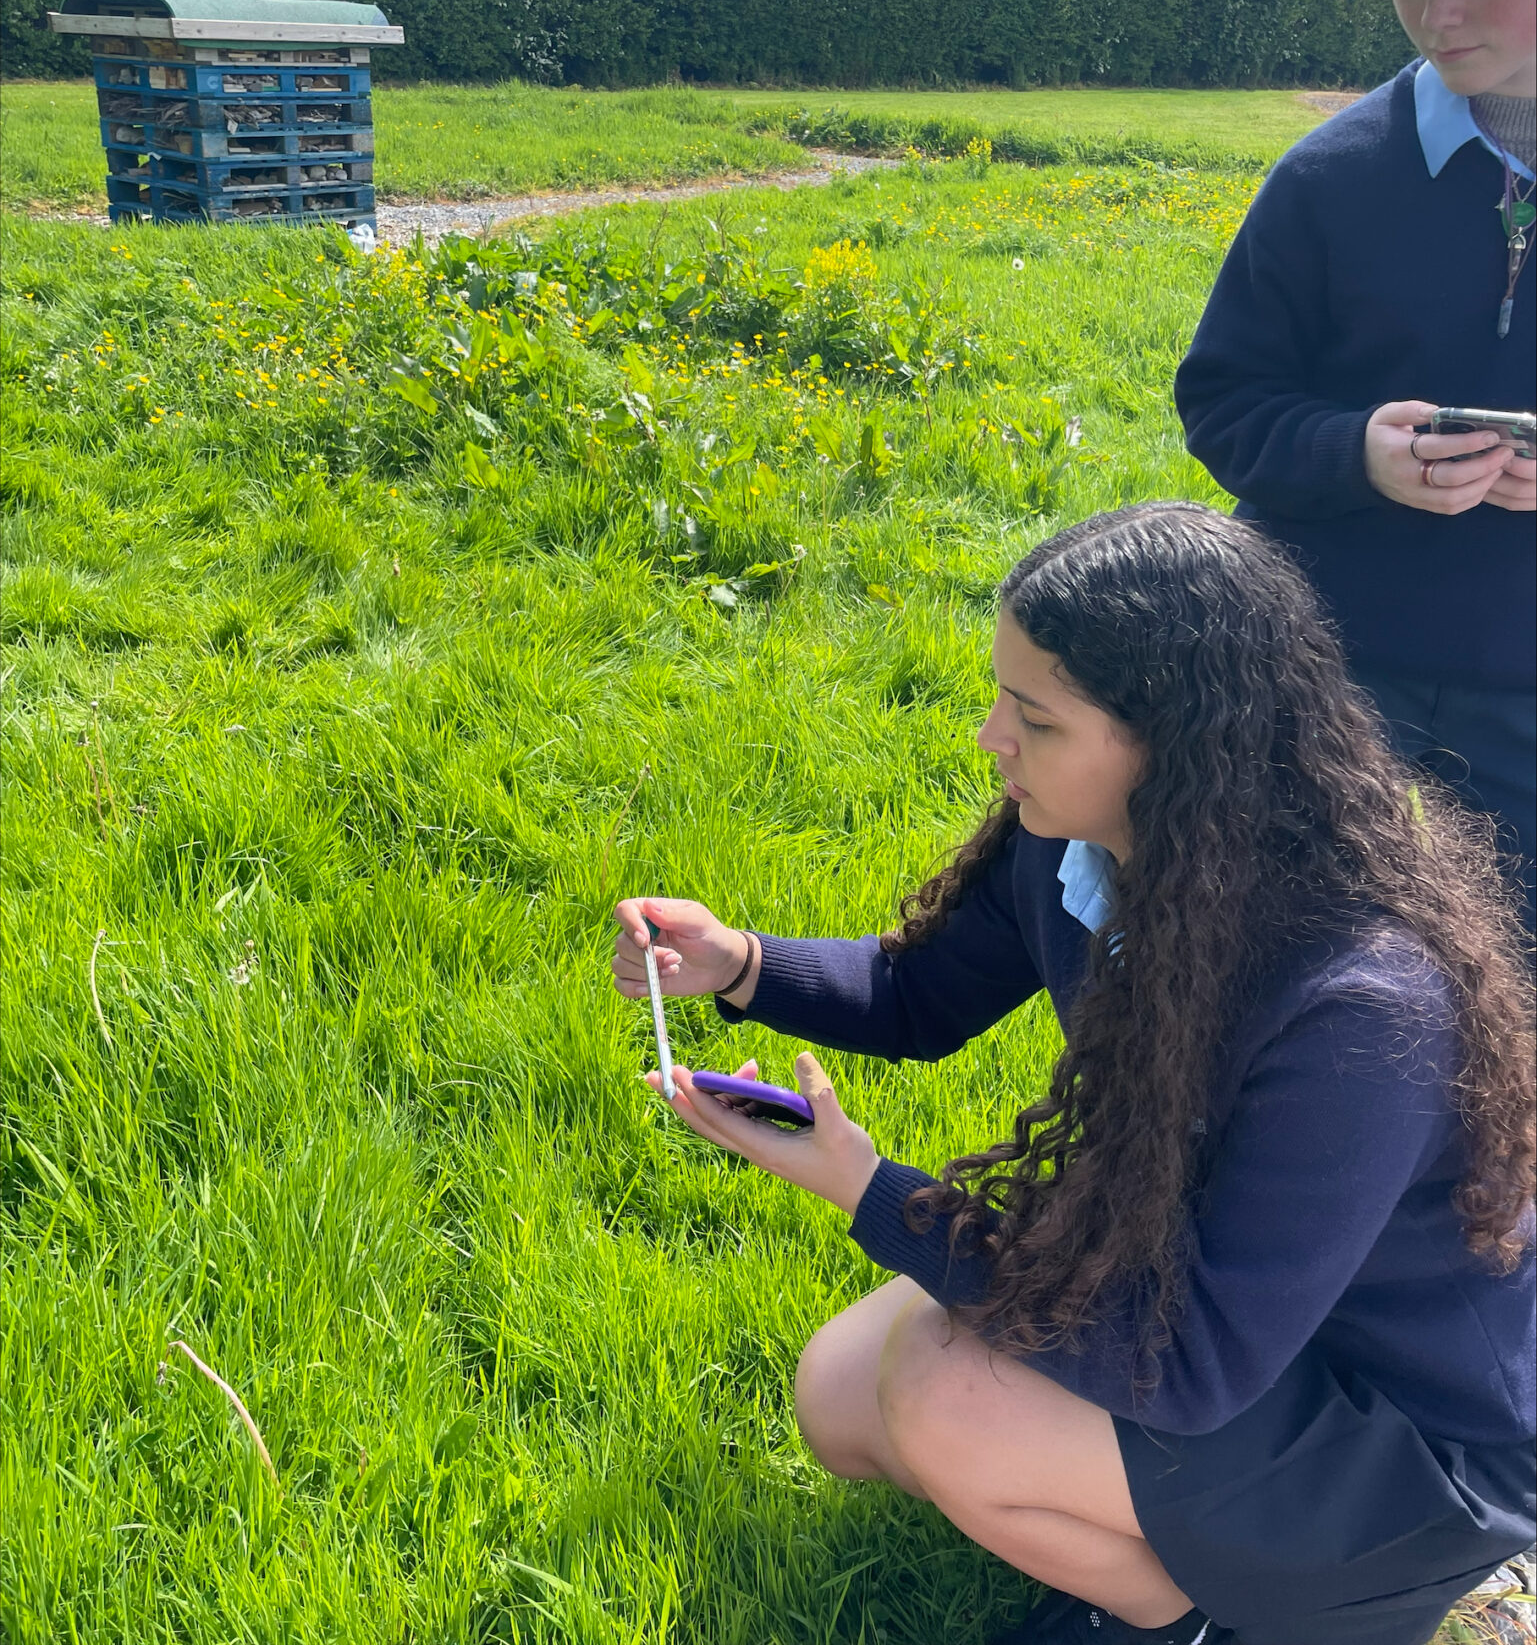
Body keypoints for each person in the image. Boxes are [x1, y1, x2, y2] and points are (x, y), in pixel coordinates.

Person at [610, 506, 1535, 1645]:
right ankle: (1151, 1539)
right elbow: (917, 994)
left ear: (1172, 742)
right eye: (1003, 697)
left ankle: (1189, 1613)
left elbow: (1195, 1365)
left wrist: (872, 1189)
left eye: (1035, 717)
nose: (993, 737)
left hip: (1398, 1445)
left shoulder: (1358, 1004)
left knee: (946, 1401)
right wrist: (737, 964)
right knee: (841, 1396)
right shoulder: (1079, 842)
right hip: (1214, 1309)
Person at [1175, 0, 1536, 937]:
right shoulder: (1328, 179)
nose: (1434, 14)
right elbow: (1222, 399)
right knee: (1283, 979)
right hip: (1325, 666)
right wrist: (1356, 456)